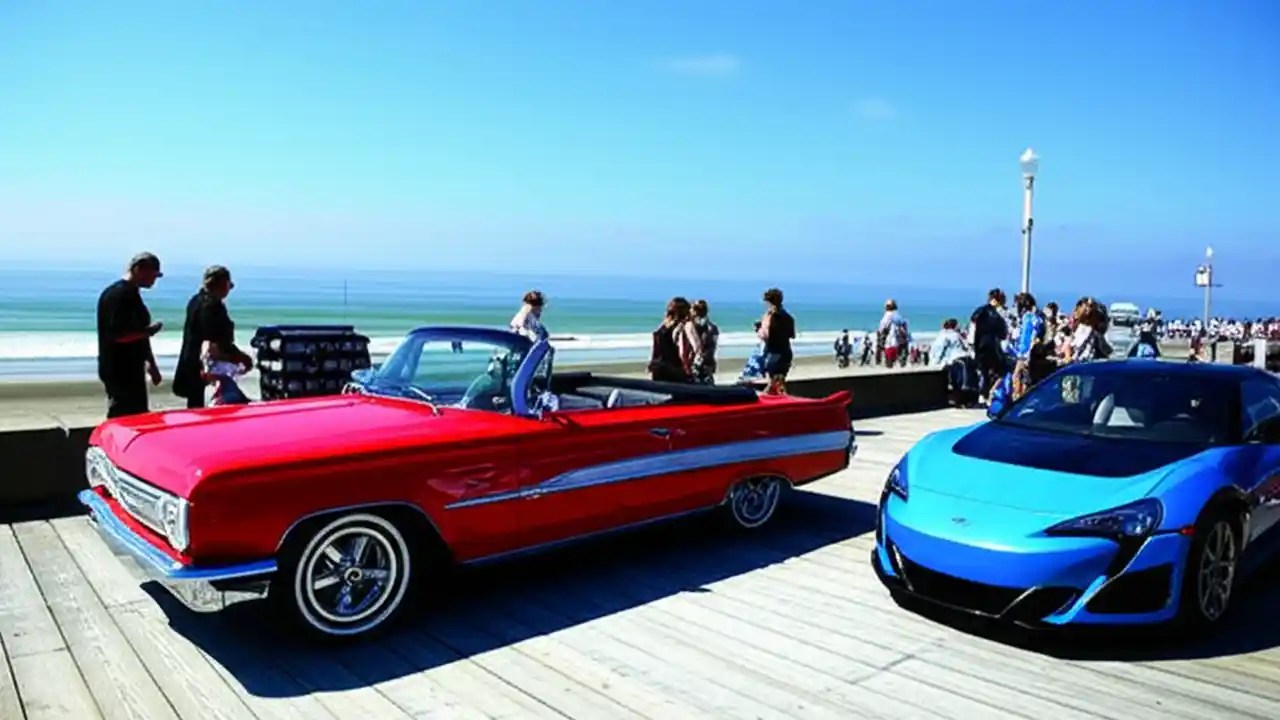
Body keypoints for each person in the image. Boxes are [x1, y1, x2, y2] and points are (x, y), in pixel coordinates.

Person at [96, 252, 165, 418]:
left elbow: (139, 334)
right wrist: (148, 331)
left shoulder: (133, 294)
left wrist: (151, 362)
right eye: (152, 275)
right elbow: (118, 334)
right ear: (138, 269)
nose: (153, 281)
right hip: (118, 367)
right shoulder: (117, 295)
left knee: (137, 412)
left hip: (132, 366)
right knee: (123, 413)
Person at [174, 265, 253, 409]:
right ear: (222, 284)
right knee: (211, 403)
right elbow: (215, 339)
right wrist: (240, 357)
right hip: (207, 364)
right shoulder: (211, 306)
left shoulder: (196, 301)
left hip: (192, 359)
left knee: (197, 404)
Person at [968, 288, 1009, 405]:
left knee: (983, 372)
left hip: (979, 345)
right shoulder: (997, 314)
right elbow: (1003, 334)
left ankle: (982, 395)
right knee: (999, 371)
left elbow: (972, 330)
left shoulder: (979, 311)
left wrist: (972, 345)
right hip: (992, 346)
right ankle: (988, 394)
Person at [648, 297, 700, 382]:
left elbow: (656, 351)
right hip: (675, 370)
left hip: (659, 368)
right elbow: (686, 352)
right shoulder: (684, 327)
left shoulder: (661, 328)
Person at [758, 287, 795, 395]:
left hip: (773, 353)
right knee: (779, 384)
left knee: (774, 385)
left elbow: (765, 335)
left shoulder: (769, 317)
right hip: (785, 352)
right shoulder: (788, 317)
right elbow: (791, 335)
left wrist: (759, 329)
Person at [689, 299, 720, 384]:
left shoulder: (692, 326)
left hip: (697, 360)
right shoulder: (713, 327)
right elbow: (714, 345)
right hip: (708, 360)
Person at [879, 300, 910, 367]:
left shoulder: (886, 316)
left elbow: (881, 330)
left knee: (889, 365)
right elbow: (905, 328)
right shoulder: (899, 316)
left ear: (887, 307)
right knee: (898, 364)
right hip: (899, 343)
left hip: (889, 343)